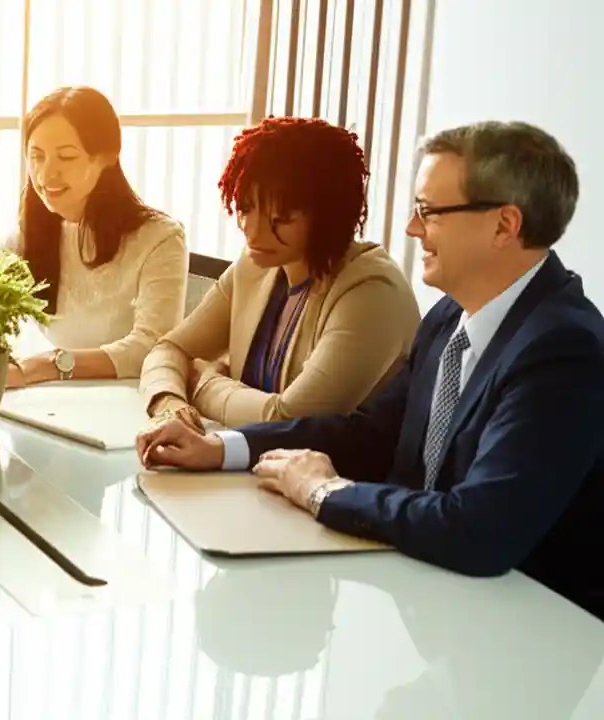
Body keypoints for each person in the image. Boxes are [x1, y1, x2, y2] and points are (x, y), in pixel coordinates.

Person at [139, 121, 604, 620]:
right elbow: (374, 432)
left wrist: (324, 492)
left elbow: (480, 530)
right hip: (425, 591)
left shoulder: (562, 348)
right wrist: (224, 448)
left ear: (504, 226)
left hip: (525, 628)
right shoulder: (451, 316)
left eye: (429, 212)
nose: (412, 228)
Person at [138, 117, 419, 432]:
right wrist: (169, 401)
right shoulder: (255, 266)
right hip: (244, 466)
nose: (254, 233)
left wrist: (203, 383)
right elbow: (169, 349)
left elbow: (291, 421)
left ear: (328, 213)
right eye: (245, 209)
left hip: (331, 476)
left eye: (280, 218)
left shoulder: (372, 293)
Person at [3, 86, 188, 388]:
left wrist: (46, 364)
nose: (46, 174)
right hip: (49, 401)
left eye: (66, 157)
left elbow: (150, 348)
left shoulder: (160, 238)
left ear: (107, 157)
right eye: (36, 156)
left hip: (128, 405)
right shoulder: (22, 240)